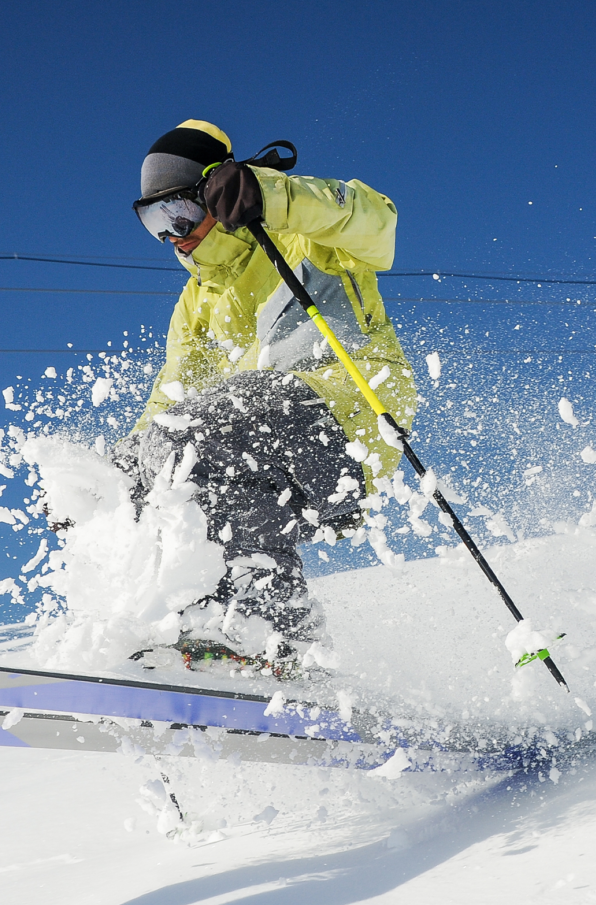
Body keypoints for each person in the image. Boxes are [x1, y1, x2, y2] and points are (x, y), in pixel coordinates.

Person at [118, 119, 417, 663]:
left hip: (351, 418)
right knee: (160, 472)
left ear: (215, 190)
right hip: (256, 447)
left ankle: (254, 623)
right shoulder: (197, 299)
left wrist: (271, 196)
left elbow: (378, 221)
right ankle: (275, 647)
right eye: (153, 220)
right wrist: (121, 467)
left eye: (178, 212)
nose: (171, 233)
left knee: (214, 421)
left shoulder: (299, 231)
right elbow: (172, 395)